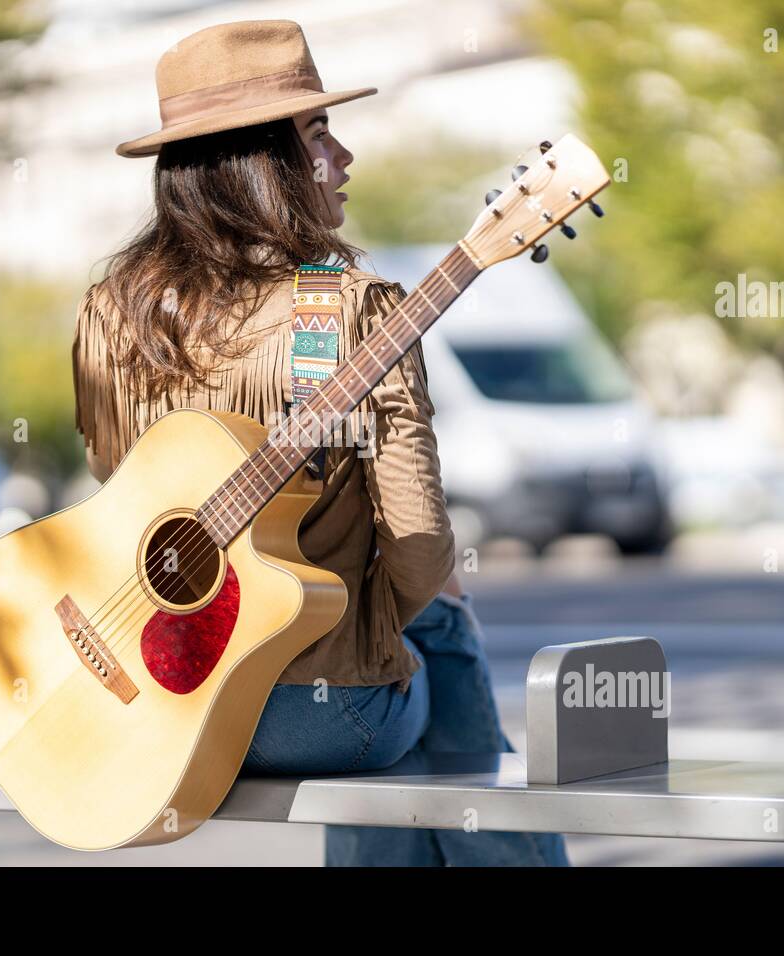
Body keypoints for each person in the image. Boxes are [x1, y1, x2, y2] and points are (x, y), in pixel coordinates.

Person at [72, 18, 569, 867]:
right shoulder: (351, 310)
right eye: (318, 135)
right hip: (313, 714)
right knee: (442, 616)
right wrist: (375, 629)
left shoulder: (112, 314)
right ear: (259, 164)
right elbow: (416, 547)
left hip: (161, 702)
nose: (345, 159)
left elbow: (125, 512)